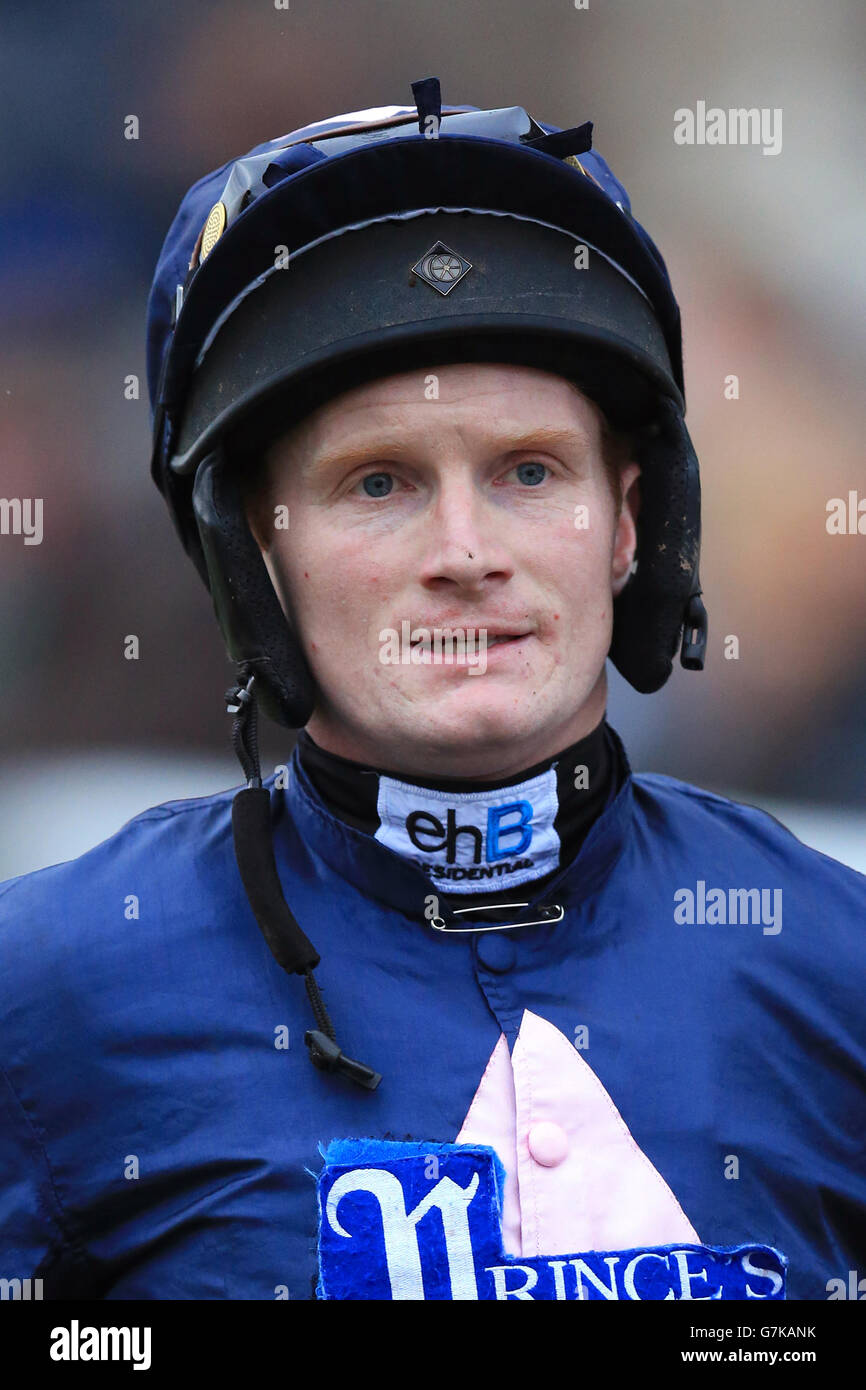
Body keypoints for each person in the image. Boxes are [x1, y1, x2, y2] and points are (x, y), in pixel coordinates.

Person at [0, 79, 863, 1303]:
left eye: (526, 470)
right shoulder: (47, 987)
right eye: (378, 483)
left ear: (627, 524)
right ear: (257, 553)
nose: (466, 551)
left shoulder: (836, 960)